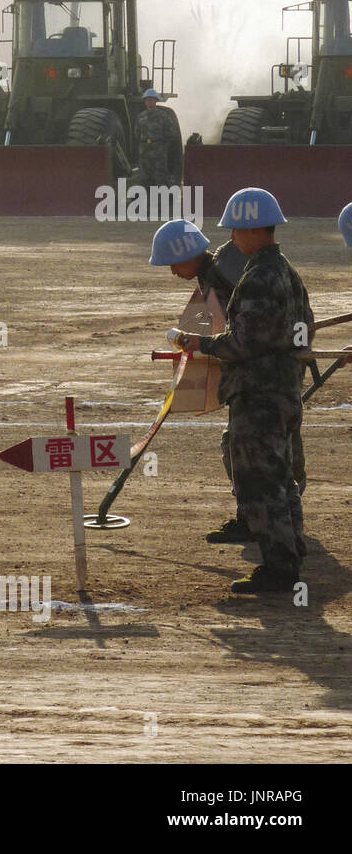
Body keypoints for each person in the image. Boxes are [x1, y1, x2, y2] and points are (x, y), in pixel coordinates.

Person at [170, 188, 313, 594]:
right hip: (284, 389)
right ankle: (290, 556)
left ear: (253, 230)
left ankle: (280, 570)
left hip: (258, 395)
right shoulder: (286, 271)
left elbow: (242, 344)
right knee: (281, 478)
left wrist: (200, 344)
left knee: (259, 482)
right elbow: (304, 327)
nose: (231, 238)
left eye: (236, 229)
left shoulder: (257, 278)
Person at [149, 218, 307, 544]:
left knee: (261, 452)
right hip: (263, 369)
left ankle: (278, 536)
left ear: (187, 254)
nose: (172, 272)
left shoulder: (228, 270)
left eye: (173, 263)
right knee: (243, 447)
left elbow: (252, 328)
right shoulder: (218, 271)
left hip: (264, 376)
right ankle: (254, 520)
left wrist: (206, 345)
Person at [132, 89, 182, 188]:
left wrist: (161, 142)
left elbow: (172, 133)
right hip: (144, 151)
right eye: (147, 100)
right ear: (145, 102)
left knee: (161, 177)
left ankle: (162, 200)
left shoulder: (164, 116)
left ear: (156, 101)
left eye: (152, 100)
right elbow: (137, 133)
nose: (149, 103)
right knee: (144, 177)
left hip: (159, 151)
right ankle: (145, 200)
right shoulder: (140, 117)